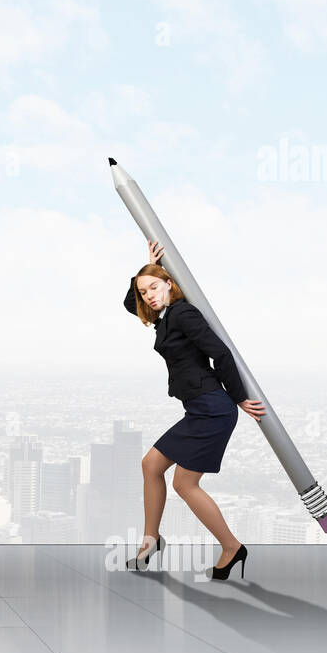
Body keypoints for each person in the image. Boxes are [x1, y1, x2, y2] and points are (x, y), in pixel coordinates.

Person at [122, 240, 263, 579]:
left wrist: (240, 397)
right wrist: (147, 268)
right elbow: (130, 303)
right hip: (198, 408)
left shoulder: (183, 314)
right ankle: (151, 541)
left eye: (155, 286)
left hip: (213, 409)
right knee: (151, 466)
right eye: (145, 292)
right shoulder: (164, 316)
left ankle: (232, 548)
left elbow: (221, 353)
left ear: (171, 283)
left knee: (185, 485)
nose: (148, 296)